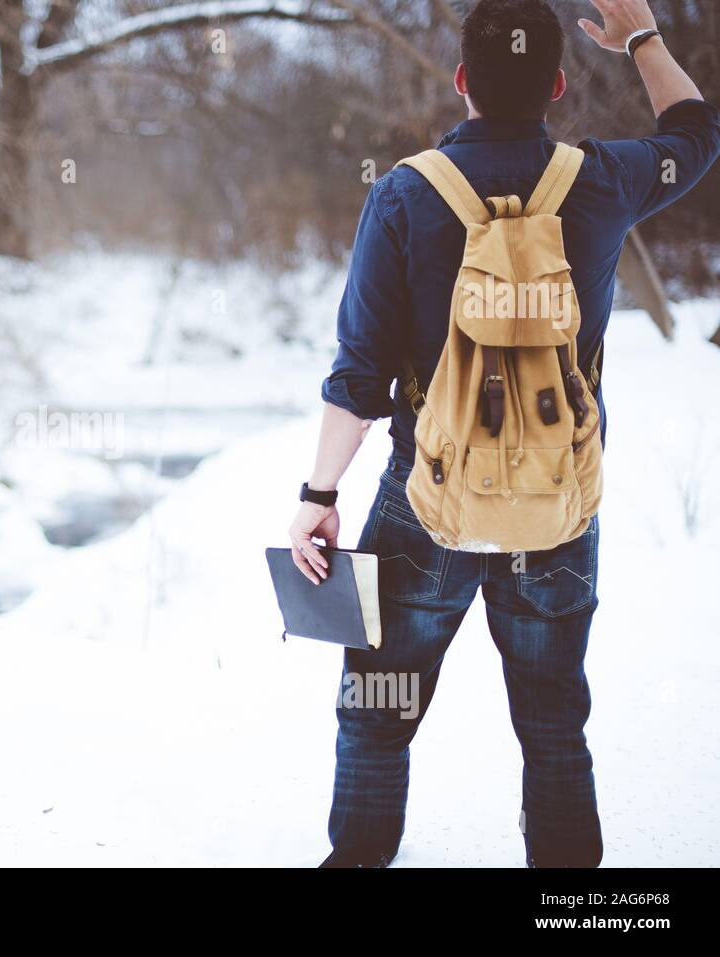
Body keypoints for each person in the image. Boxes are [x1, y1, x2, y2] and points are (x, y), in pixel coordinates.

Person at [288, 0, 720, 868]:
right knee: (554, 711)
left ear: (461, 82)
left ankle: (361, 856)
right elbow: (698, 133)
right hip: (556, 508)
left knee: (378, 701)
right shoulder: (602, 179)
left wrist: (319, 495)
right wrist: (641, 36)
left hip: (425, 504)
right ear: (558, 85)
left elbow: (359, 376)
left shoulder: (405, 194)